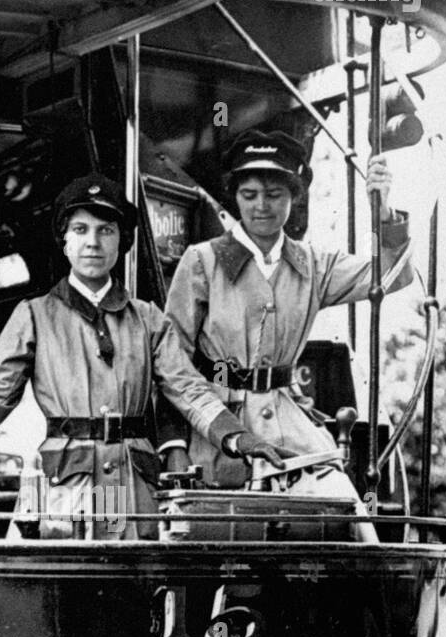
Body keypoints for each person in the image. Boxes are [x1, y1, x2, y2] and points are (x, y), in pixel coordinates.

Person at [0, 173, 279, 539]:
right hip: (63, 491)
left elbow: (189, 390)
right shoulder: (34, 315)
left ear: (122, 242)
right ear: (64, 241)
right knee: (65, 587)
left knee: (126, 587)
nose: (93, 243)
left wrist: (239, 438)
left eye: (106, 231)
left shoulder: (148, 318)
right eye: (81, 230)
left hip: (130, 488)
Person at [159, 130, 414, 508]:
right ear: (236, 196)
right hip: (218, 435)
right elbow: (171, 364)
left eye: (275, 195)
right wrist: (174, 447)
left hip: (294, 434)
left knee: (346, 515)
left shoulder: (313, 266)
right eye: (249, 195)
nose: (261, 206)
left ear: (294, 197)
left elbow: (394, 276)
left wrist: (385, 215)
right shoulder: (202, 262)